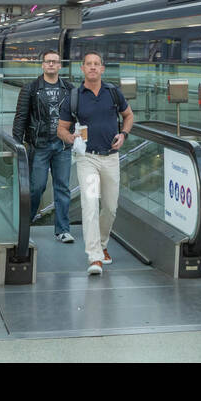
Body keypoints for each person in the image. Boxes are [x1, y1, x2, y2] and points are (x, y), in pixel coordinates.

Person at [57, 51, 133, 276]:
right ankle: (95, 257)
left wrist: (124, 135)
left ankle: (102, 243)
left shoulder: (113, 93)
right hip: (87, 158)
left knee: (110, 207)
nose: (92, 67)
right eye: (88, 64)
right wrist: (70, 138)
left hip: (110, 158)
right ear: (82, 69)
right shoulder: (74, 96)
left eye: (96, 64)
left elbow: (128, 116)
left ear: (102, 69)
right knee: (90, 205)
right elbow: (61, 128)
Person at [12, 50, 76, 244]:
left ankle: (62, 230)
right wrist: (16, 144)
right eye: (48, 62)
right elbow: (21, 117)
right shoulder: (30, 89)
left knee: (62, 188)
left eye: (54, 62)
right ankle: (24, 225)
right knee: (36, 188)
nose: (51, 65)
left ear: (60, 66)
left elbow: (77, 115)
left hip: (62, 146)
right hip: (39, 145)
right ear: (42, 65)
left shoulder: (70, 89)